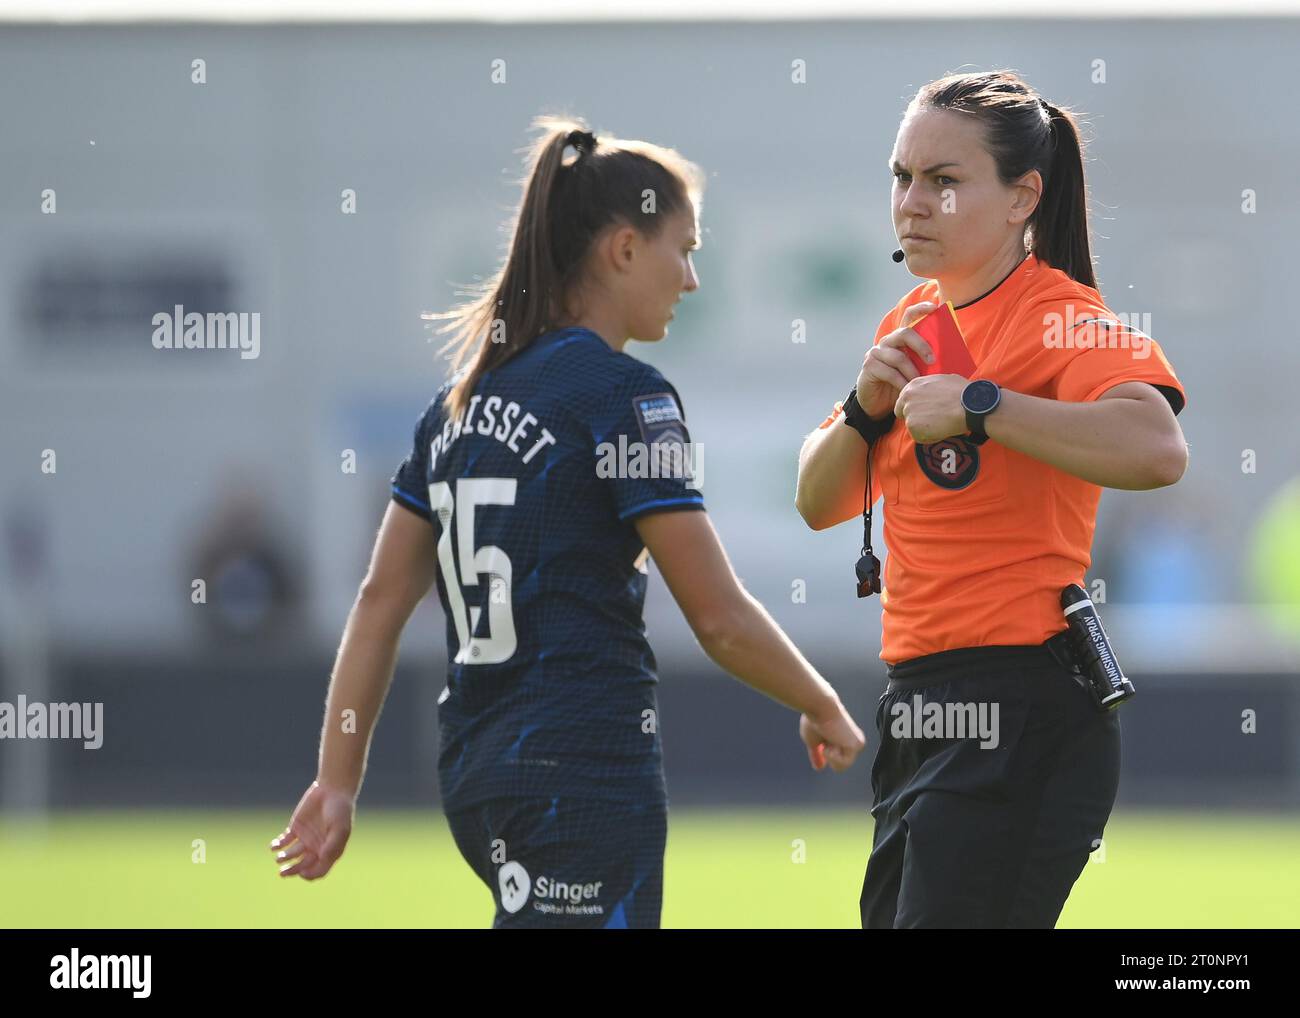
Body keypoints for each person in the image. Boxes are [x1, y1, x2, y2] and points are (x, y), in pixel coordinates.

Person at [270, 116, 865, 929]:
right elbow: (719, 618)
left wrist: (336, 782)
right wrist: (821, 699)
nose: (691, 278)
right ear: (623, 249)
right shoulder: (625, 397)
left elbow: (379, 599)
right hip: (580, 775)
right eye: (684, 249)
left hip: (478, 776)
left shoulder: (455, 407)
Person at [795, 70, 1189, 928]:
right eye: (902, 177)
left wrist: (984, 408)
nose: (912, 202)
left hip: (1021, 707)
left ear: (1023, 198)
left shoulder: (1059, 315)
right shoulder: (908, 322)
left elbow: (1158, 448)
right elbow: (815, 500)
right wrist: (863, 410)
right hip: (918, 706)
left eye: (944, 180)